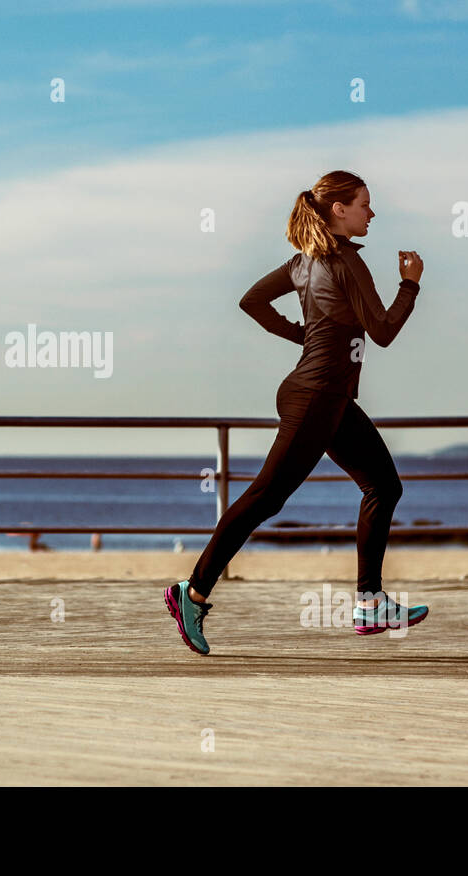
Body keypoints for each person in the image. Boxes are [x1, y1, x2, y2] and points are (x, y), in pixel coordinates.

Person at [164, 171, 430, 655]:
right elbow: (384, 330)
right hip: (315, 397)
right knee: (267, 497)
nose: (372, 213)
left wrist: (303, 336)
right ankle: (193, 592)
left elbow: (252, 301)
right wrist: (410, 285)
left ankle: (370, 602)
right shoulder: (346, 261)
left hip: (326, 398)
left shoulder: (303, 261)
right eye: (364, 204)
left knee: (383, 485)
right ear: (339, 210)